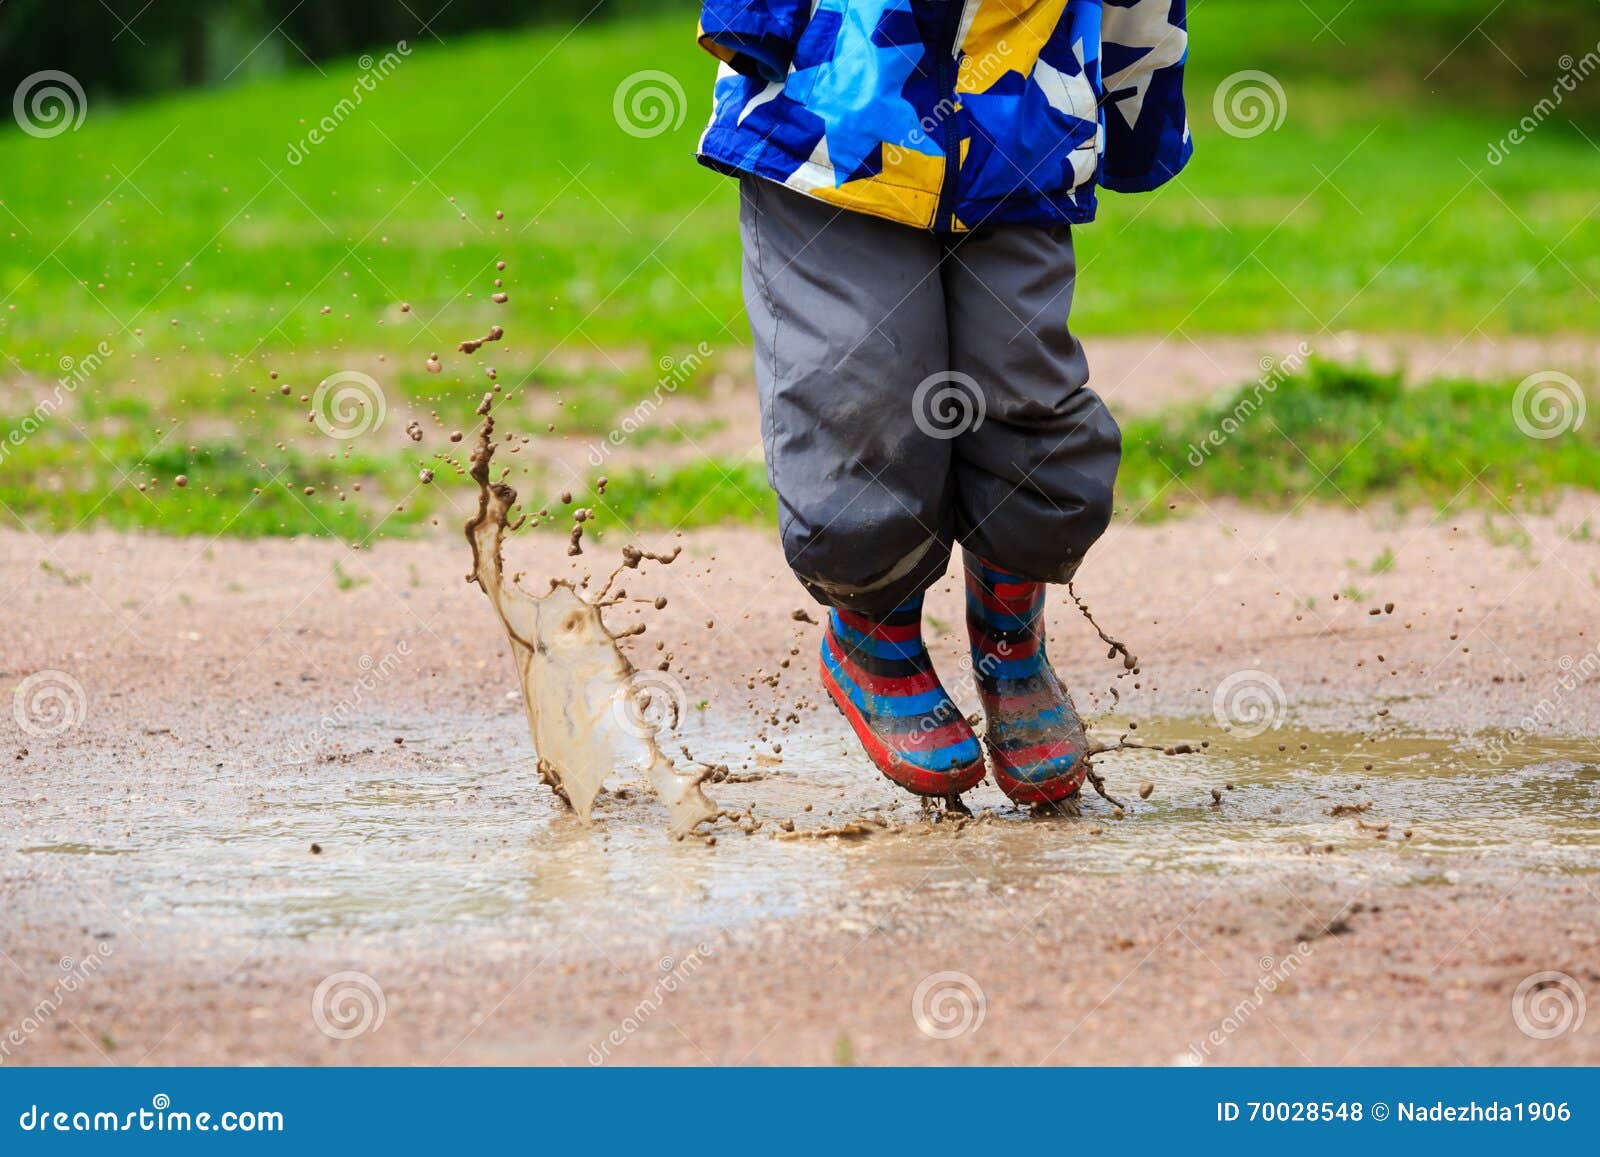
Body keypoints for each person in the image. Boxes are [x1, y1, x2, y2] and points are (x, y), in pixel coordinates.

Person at [694, 0, 1190, 805]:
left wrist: (1138, 104)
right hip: (835, 112)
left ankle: (1009, 635)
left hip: (1024, 117)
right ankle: (875, 629)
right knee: (859, 385)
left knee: (1027, 386)